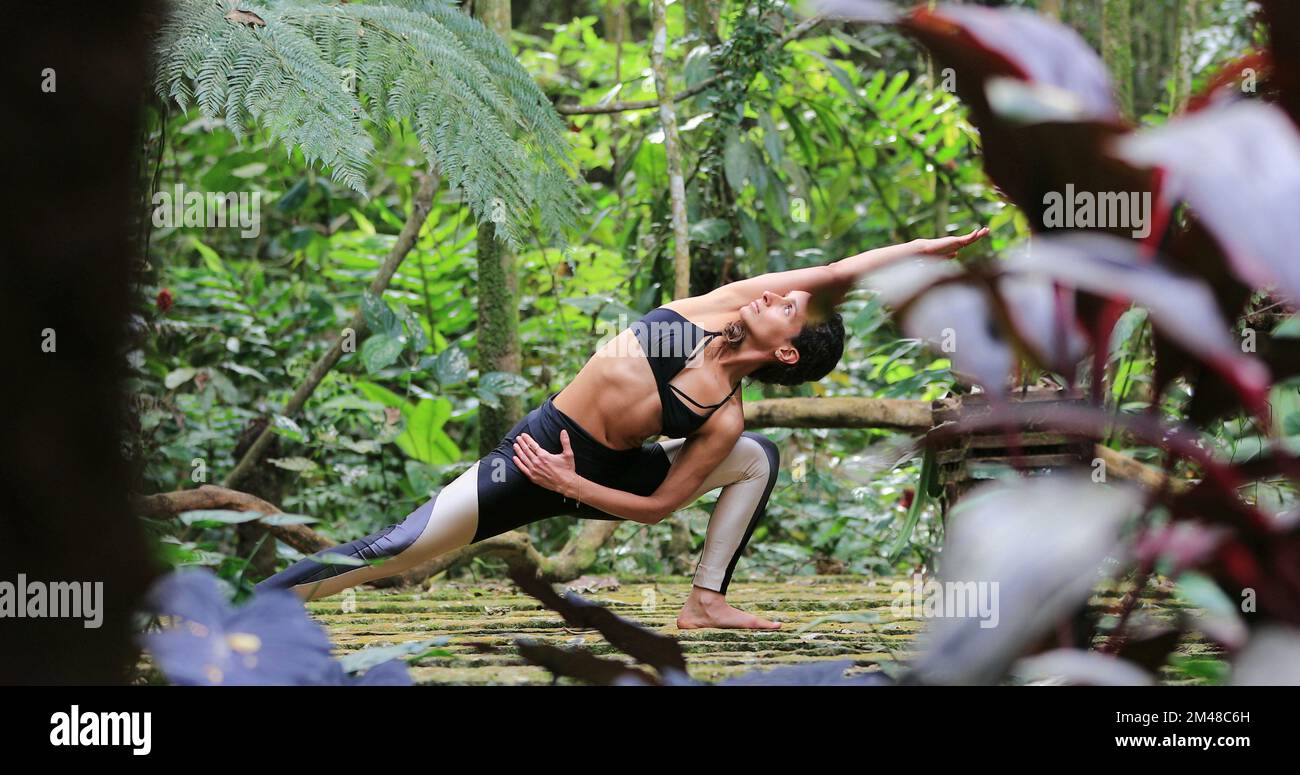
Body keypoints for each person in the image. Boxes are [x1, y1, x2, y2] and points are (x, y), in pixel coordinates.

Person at [257, 228, 988, 629]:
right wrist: (922, 252)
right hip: (536, 451)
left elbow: (664, 503)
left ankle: (706, 600)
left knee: (756, 456)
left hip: (593, 475)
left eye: (791, 307)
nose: (780, 291)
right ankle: (250, 612)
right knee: (396, 547)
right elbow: (838, 268)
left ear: (787, 350)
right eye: (788, 292)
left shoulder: (721, 413)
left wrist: (574, 483)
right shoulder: (716, 307)